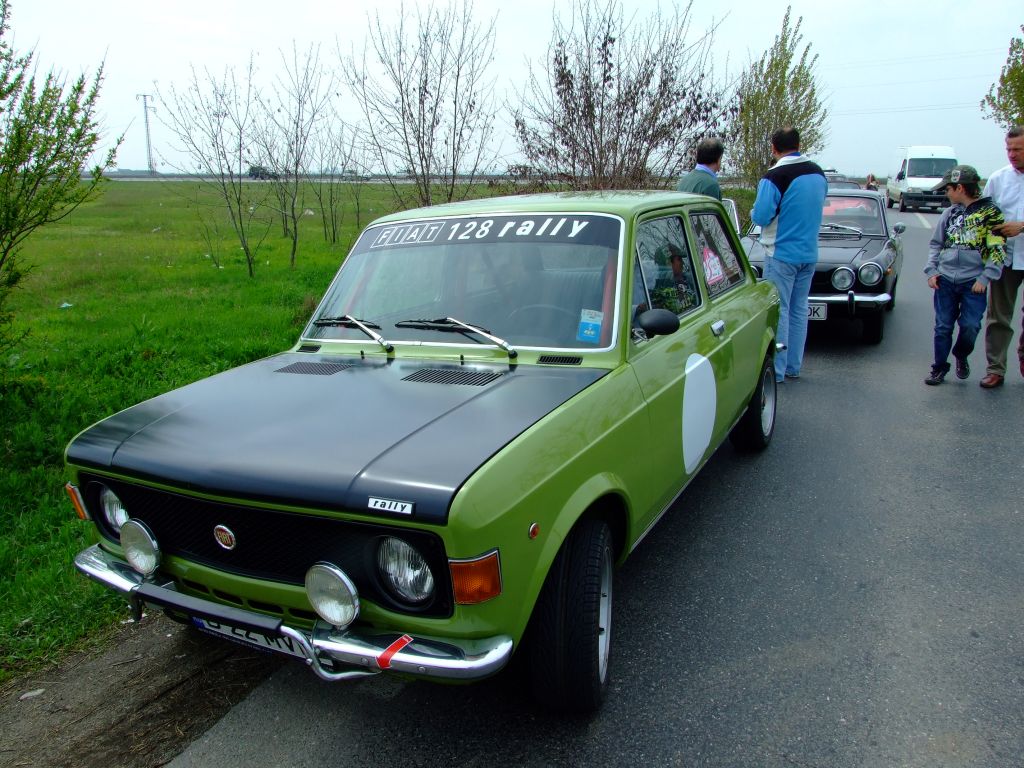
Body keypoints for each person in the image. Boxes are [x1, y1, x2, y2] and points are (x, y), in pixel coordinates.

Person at [750, 127, 828, 383]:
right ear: (798, 144)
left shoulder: (775, 176)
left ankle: (779, 371)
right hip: (809, 252)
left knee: (780, 311)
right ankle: (794, 365)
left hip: (781, 252)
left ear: (774, 148)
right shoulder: (818, 174)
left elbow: (761, 216)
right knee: (799, 309)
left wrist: (752, 213)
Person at [923, 165, 1006, 386]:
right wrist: (931, 270)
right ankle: (939, 367)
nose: (946, 194)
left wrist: (985, 277)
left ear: (960, 187)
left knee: (971, 325)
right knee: (943, 326)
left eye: (948, 189)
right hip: (946, 279)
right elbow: (935, 244)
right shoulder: (949, 213)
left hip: (973, 282)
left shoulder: (991, 213)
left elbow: (997, 248)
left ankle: (961, 353)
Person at [979, 125, 1024, 389]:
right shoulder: (998, 179)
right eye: (1009, 149)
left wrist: (1022, 225)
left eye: (1018, 149)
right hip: (1004, 257)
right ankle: (995, 368)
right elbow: (984, 218)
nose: (1012, 154)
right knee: (998, 316)